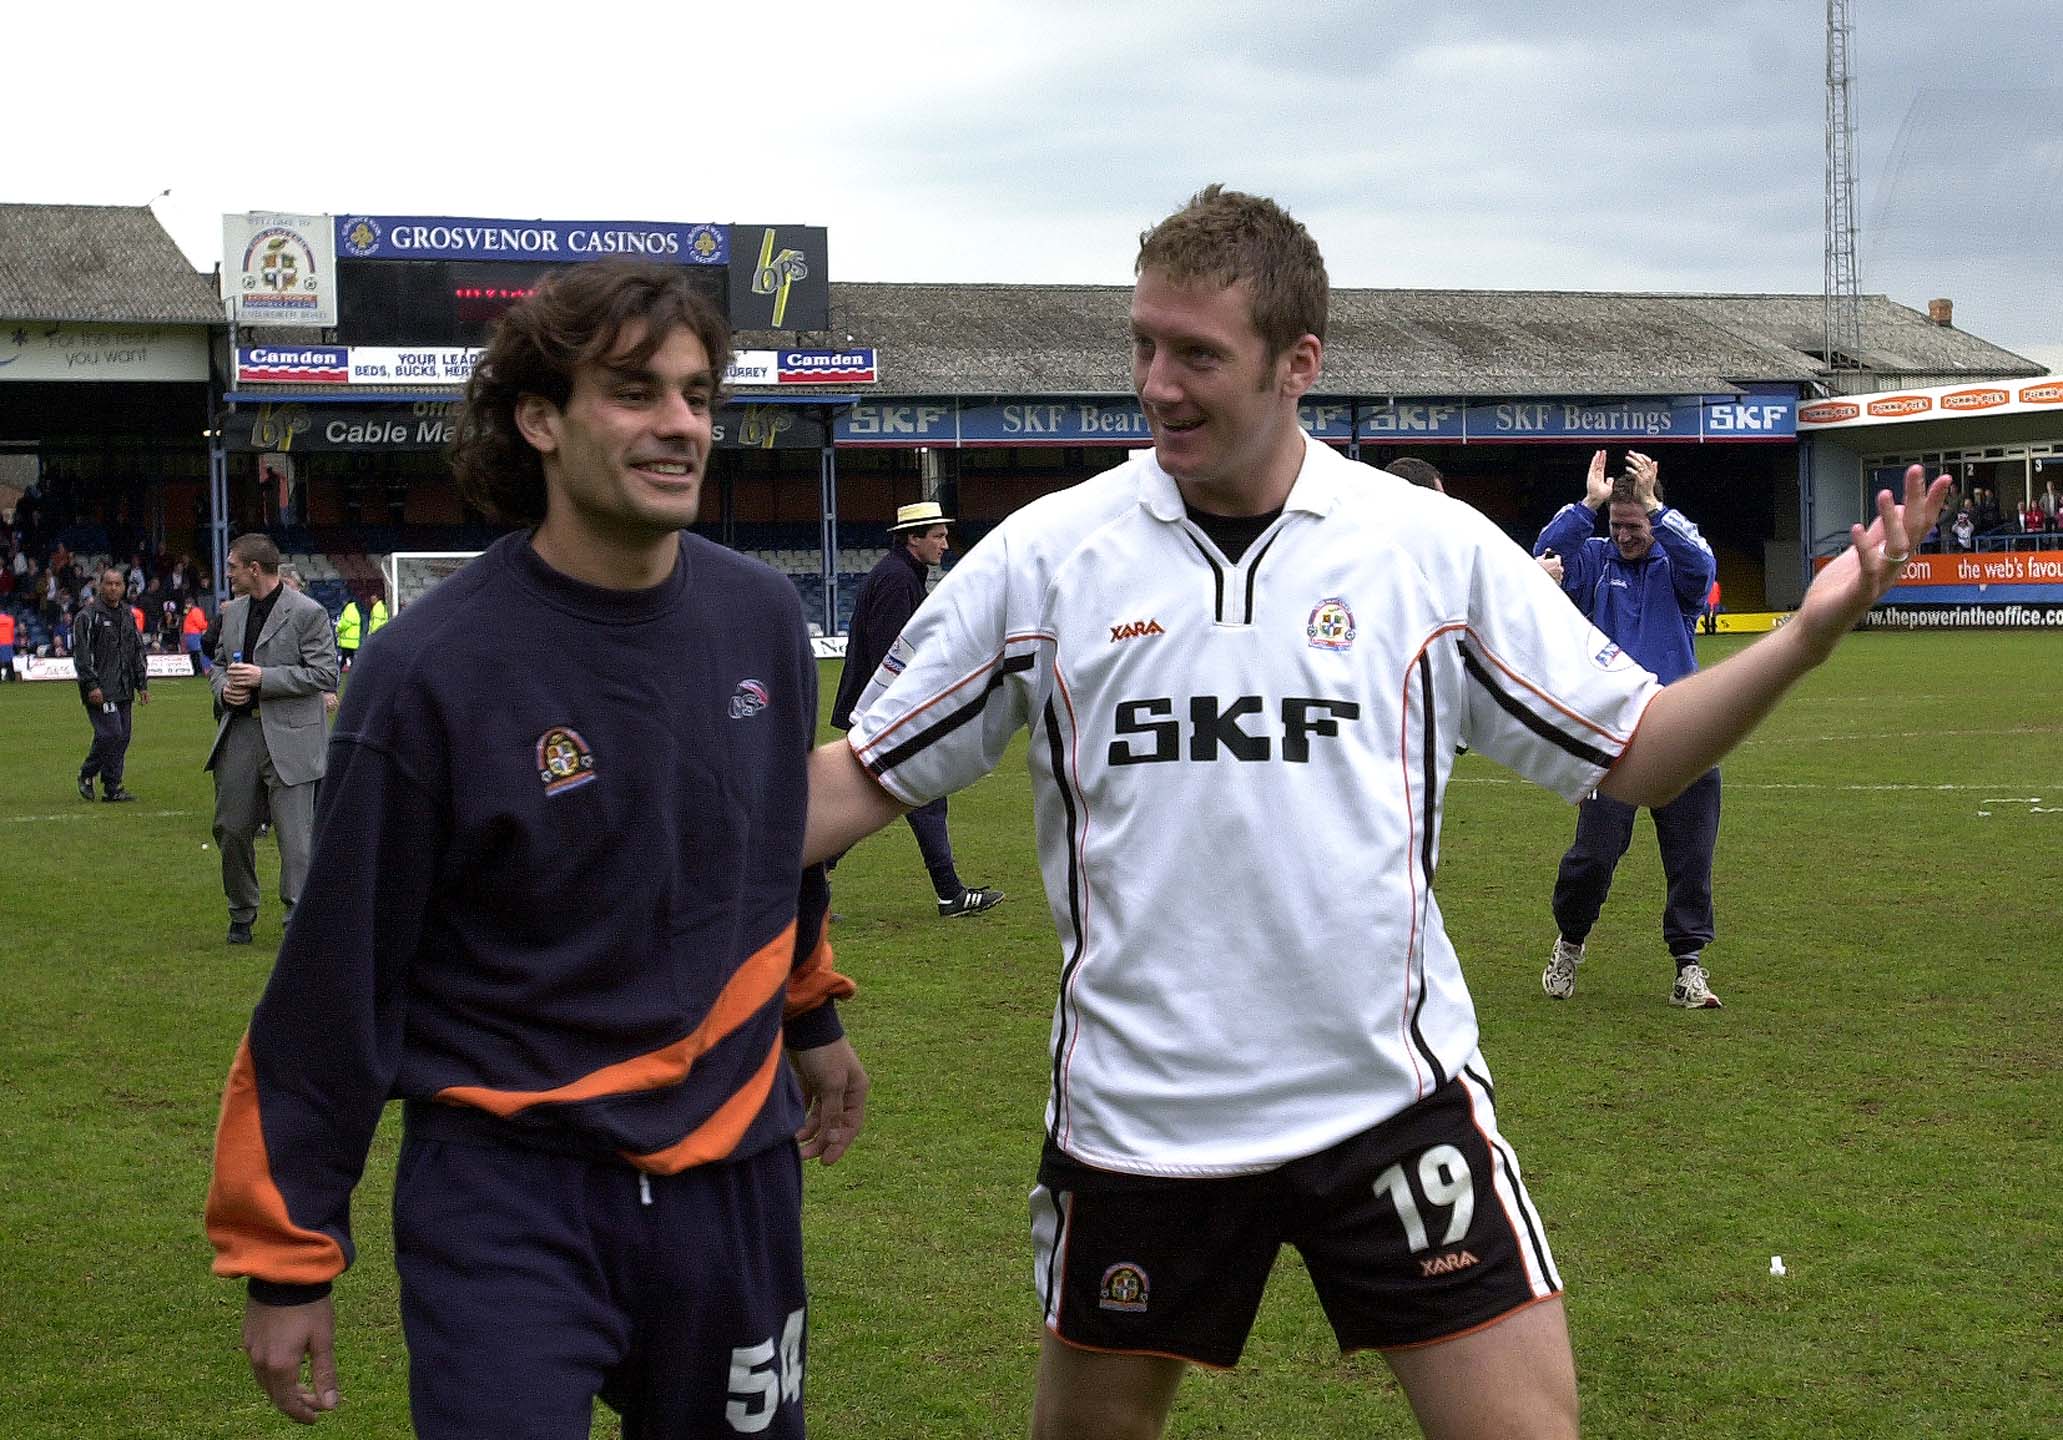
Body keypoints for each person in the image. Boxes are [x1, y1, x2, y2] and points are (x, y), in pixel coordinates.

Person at [802, 184, 1947, 1440]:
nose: (1157, 385)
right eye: (1142, 345)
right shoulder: (1046, 556)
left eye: (1197, 355)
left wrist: (1804, 636)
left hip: (1387, 1105)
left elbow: (1637, 755)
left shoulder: (1423, 548)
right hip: (1142, 1124)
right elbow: (852, 781)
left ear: (1298, 363)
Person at [205, 260, 868, 1439]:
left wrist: (809, 1019)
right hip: (508, 1193)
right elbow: (340, 975)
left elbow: (767, 858)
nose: (679, 424)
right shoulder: (428, 671)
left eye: (697, 395)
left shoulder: (761, 619)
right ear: (539, 419)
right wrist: (286, 1253)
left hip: (731, 1175)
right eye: (634, 392)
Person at [1533, 450, 1723, 1008]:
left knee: (1690, 857)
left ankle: (1689, 966)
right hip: (1610, 736)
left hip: (1681, 729)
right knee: (1593, 856)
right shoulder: (1595, 560)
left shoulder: (1676, 569)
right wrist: (1588, 505)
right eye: (1616, 525)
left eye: (1633, 525)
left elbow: (1702, 564)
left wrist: (1655, 508)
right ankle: (1570, 942)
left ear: (1652, 520)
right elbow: (1541, 561)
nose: (1623, 535)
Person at [828, 500, 1004, 918]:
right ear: (913, 538)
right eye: (938, 536)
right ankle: (949, 894)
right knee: (916, 794)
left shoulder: (899, 575)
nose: (945, 544)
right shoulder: (897, 580)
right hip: (886, 713)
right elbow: (891, 656)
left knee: (886, 798)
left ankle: (806, 881)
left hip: (881, 711)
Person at [204, 534, 338, 944]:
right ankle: (241, 910)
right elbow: (219, 665)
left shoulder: (308, 612)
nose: (227, 574)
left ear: (254, 569)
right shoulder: (232, 612)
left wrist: (265, 678)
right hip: (241, 732)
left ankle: (298, 921)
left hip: (293, 739)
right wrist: (223, 690)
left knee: (295, 840)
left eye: (232, 566)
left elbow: (324, 674)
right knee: (230, 828)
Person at [73, 566, 151, 800]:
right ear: (100, 586)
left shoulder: (128, 614)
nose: (113, 588)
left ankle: (112, 787)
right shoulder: (88, 616)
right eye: (109, 584)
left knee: (123, 736)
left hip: (124, 686)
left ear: (124, 587)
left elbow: (136, 650)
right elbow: (82, 655)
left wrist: (142, 684)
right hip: (101, 688)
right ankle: (87, 773)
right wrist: (91, 685)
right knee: (110, 733)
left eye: (118, 584)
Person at [279, 565, 340, 717]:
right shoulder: (268, 612)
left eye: (286, 584)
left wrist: (328, 690)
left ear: (299, 587)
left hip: (304, 693)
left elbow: (326, 655)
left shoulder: (312, 613)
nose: (283, 590)